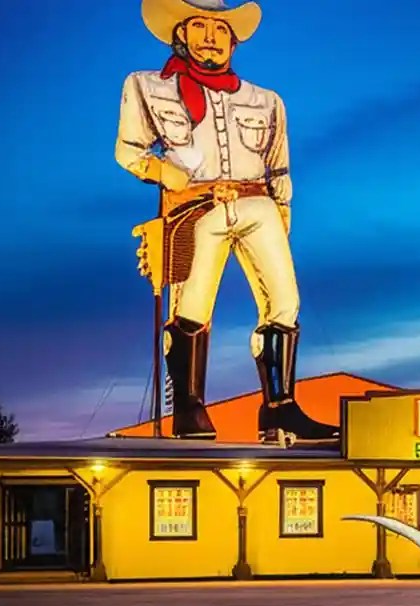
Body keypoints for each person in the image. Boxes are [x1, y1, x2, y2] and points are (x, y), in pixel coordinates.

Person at [115, 0, 338, 445]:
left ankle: (280, 409)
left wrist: (283, 213)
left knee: (284, 302)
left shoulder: (265, 99)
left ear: (233, 38)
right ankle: (189, 407)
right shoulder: (147, 87)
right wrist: (165, 172)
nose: (211, 36)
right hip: (196, 206)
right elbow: (128, 151)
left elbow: (279, 169)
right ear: (182, 33)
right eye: (200, 25)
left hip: (257, 204)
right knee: (192, 307)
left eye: (220, 27)